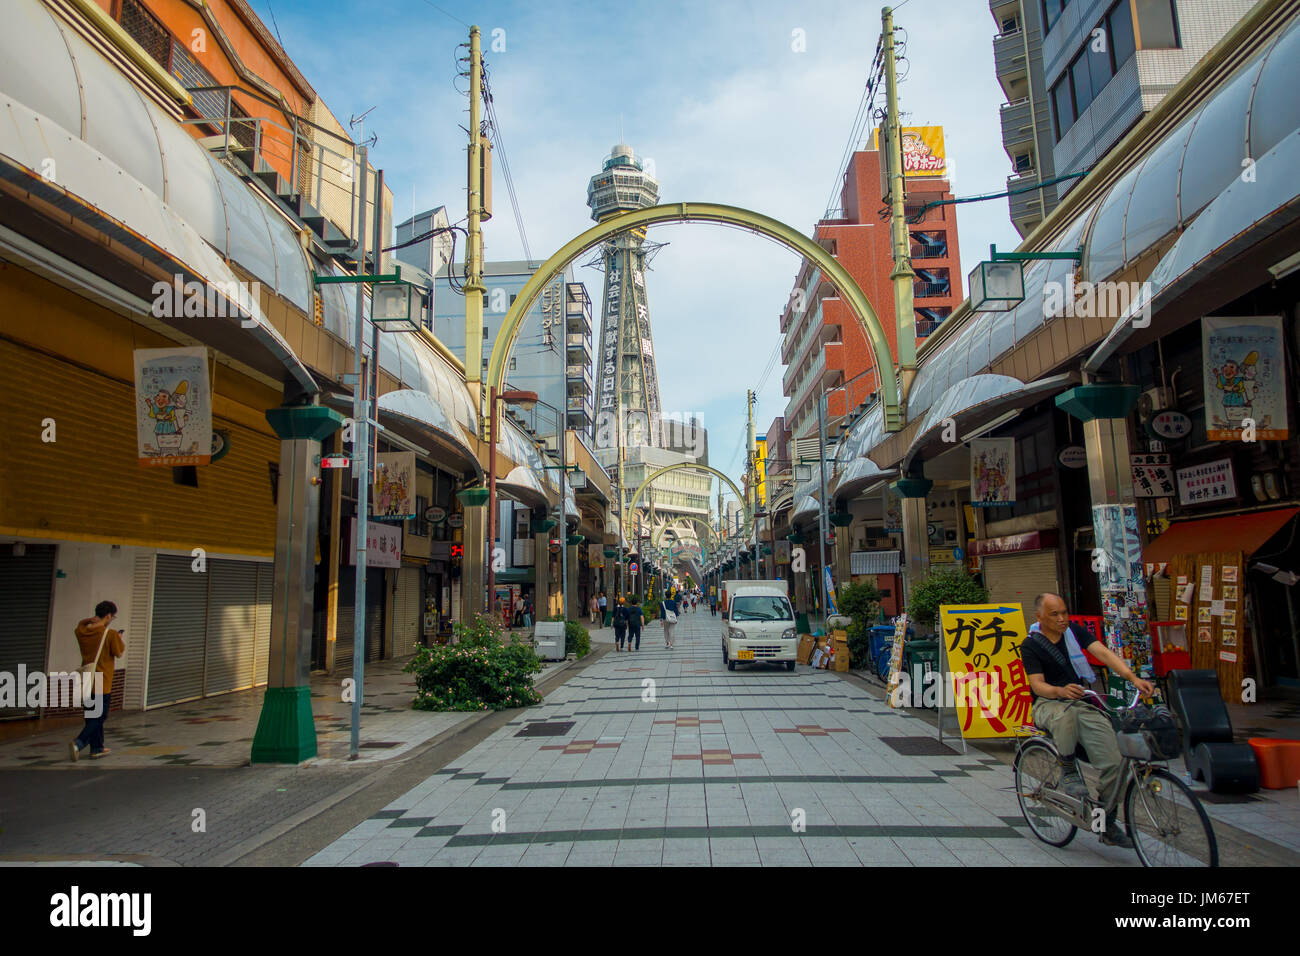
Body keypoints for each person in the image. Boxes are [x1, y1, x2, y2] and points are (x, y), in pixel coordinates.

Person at [1020, 592, 1155, 850]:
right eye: (1054, 614)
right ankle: (1067, 768)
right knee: (1066, 714)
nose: (1062, 619)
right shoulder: (1031, 645)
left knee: (1116, 762)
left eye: (1064, 612)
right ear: (1039, 617)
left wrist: (1132, 677)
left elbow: (1103, 654)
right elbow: (1037, 685)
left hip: (1081, 702)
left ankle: (1106, 821)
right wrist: (1060, 691)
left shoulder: (1074, 632)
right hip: (1048, 704)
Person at [71, 600, 125, 761]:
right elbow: (119, 652)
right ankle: (78, 743)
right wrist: (119, 638)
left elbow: (79, 626)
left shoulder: (82, 631)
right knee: (100, 716)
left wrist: (89, 620)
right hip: (102, 679)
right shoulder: (110, 634)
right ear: (108, 615)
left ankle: (97, 748)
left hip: (86, 678)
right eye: (112, 617)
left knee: (91, 715)